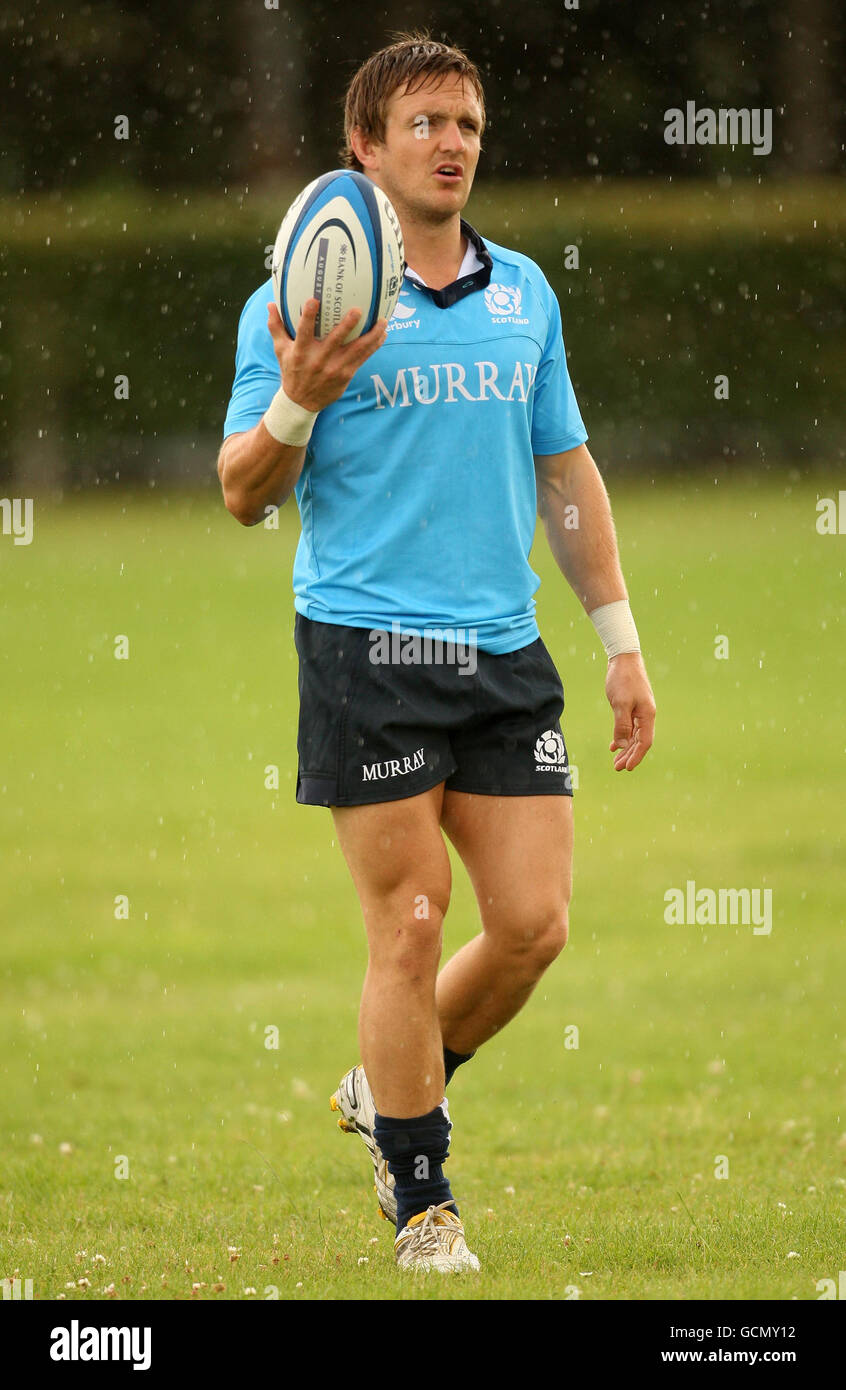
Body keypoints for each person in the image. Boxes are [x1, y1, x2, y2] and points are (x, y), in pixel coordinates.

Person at [218, 30, 656, 1274]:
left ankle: (390, 1087)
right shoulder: (297, 303)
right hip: (367, 646)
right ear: (364, 148)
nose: (452, 143)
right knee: (412, 924)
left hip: (503, 649)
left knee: (531, 928)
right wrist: (301, 391)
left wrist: (620, 640)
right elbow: (243, 492)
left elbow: (565, 474)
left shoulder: (526, 294)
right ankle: (423, 1196)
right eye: (425, 124)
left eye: (466, 124)